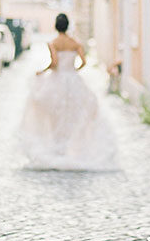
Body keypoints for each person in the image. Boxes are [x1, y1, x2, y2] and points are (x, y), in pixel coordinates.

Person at [19, 13, 119, 171]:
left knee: (54, 114)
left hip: (57, 80)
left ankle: (58, 146)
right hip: (73, 81)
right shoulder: (75, 43)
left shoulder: (53, 43)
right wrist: (74, 70)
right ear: (67, 26)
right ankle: (72, 146)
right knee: (74, 115)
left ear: (56, 26)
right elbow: (84, 62)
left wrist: (43, 71)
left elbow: (54, 63)